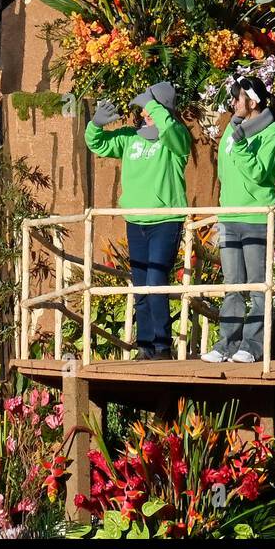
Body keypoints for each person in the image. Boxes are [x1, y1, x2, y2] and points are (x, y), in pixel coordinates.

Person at [85, 81, 190, 360]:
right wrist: (95, 124)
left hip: (165, 220)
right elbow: (97, 143)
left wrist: (154, 103)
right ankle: (144, 345)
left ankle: (162, 346)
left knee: (156, 279)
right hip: (135, 221)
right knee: (141, 283)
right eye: (144, 108)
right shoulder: (130, 138)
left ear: (162, 107)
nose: (144, 113)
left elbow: (172, 130)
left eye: (149, 107)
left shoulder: (175, 139)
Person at [203, 77, 275, 365]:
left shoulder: (272, 131)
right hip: (230, 216)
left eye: (238, 97)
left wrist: (241, 147)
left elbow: (260, 174)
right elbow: (225, 170)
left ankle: (253, 345)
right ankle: (227, 342)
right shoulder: (232, 127)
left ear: (252, 101)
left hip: (256, 217)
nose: (234, 102)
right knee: (232, 284)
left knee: (257, 285)